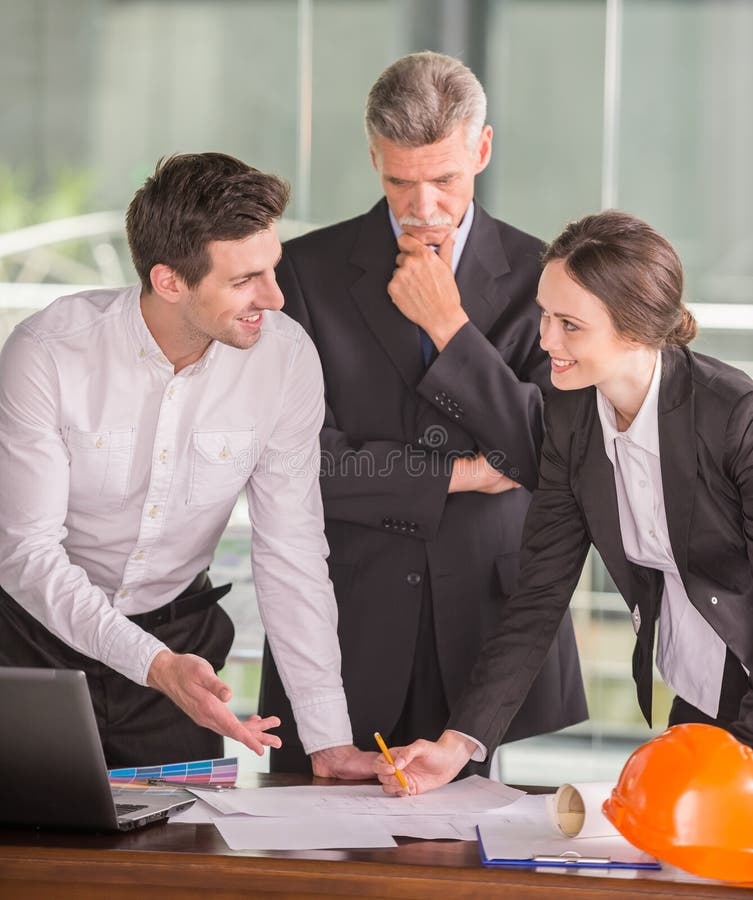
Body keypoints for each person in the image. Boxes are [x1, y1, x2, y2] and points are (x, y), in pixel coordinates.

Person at [259, 51, 587, 774]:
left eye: (444, 179)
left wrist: (451, 331)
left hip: (479, 616)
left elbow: (551, 455)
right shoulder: (303, 273)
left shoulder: (548, 277)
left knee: (462, 870)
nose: (424, 207)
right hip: (344, 616)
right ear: (373, 154)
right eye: (399, 182)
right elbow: (290, 464)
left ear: (482, 148)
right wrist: (457, 476)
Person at [0, 152, 375, 777]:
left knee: (182, 861)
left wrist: (329, 740)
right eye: (244, 280)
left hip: (182, 652)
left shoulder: (284, 361)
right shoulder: (47, 354)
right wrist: (150, 662)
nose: (276, 299)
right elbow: (26, 553)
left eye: (273, 269)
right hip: (32, 642)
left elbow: (292, 549)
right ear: (170, 280)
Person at [375, 208, 753, 794]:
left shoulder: (736, 417)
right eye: (544, 315)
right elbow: (538, 596)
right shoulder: (572, 418)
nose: (546, 340)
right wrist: (459, 744)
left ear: (635, 327)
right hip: (702, 698)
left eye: (569, 325)